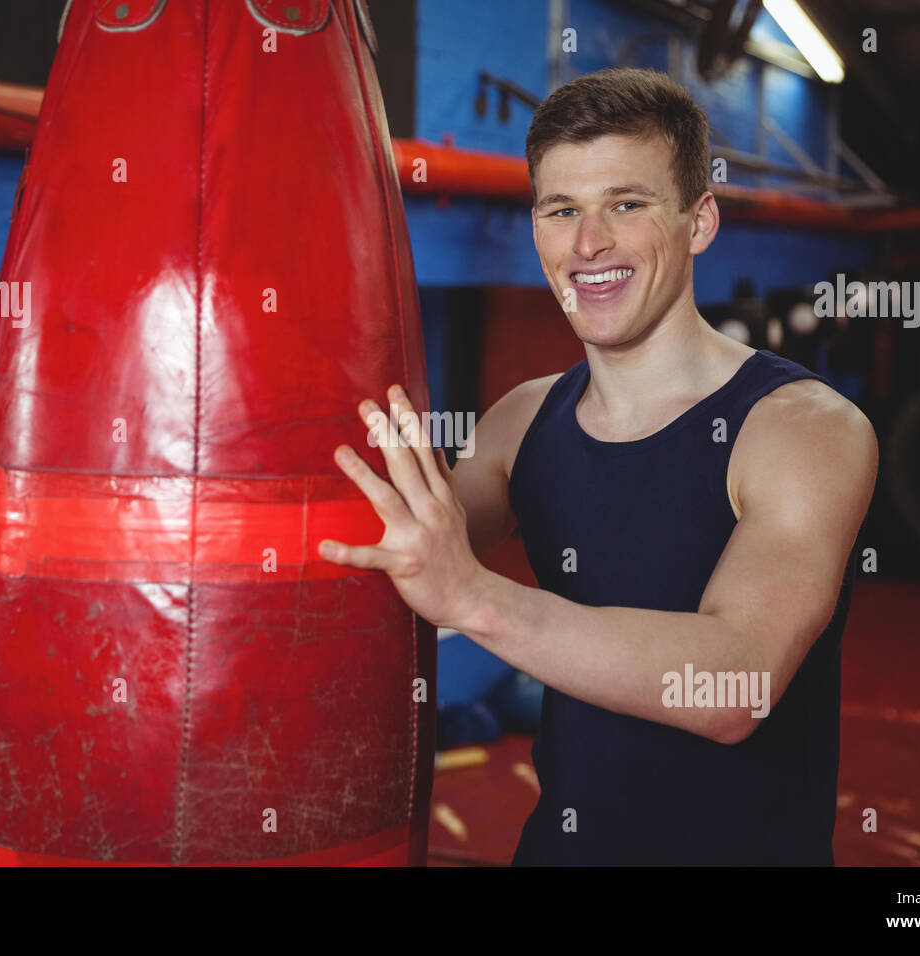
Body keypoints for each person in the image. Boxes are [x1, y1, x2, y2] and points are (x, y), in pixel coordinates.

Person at [318, 67, 878, 866]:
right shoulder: (521, 421)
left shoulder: (804, 428)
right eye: (561, 210)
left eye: (627, 204)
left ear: (700, 220)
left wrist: (475, 599)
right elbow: (385, 566)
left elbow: (735, 687)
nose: (589, 244)